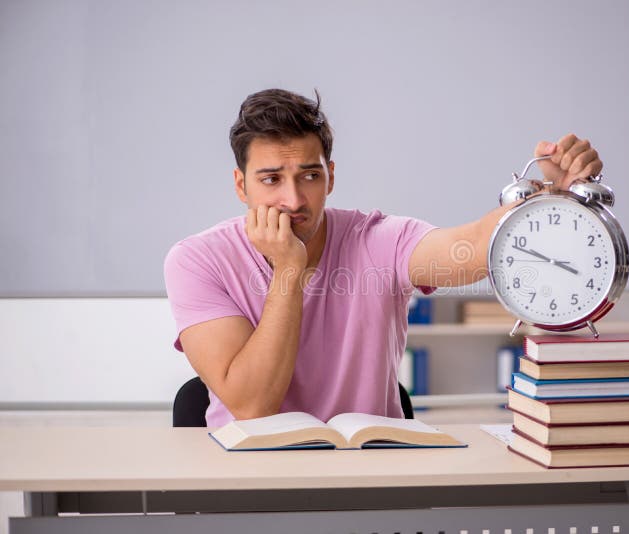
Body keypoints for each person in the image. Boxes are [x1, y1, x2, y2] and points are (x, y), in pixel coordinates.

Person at [164, 88, 602, 427]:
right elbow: (252, 406)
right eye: (271, 179)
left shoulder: (377, 240)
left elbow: (472, 248)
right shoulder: (196, 261)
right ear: (241, 186)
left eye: (309, 176)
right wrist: (289, 270)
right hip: (247, 488)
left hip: (370, 481)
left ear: (330, 177)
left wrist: (551, 199)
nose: (293, 199)